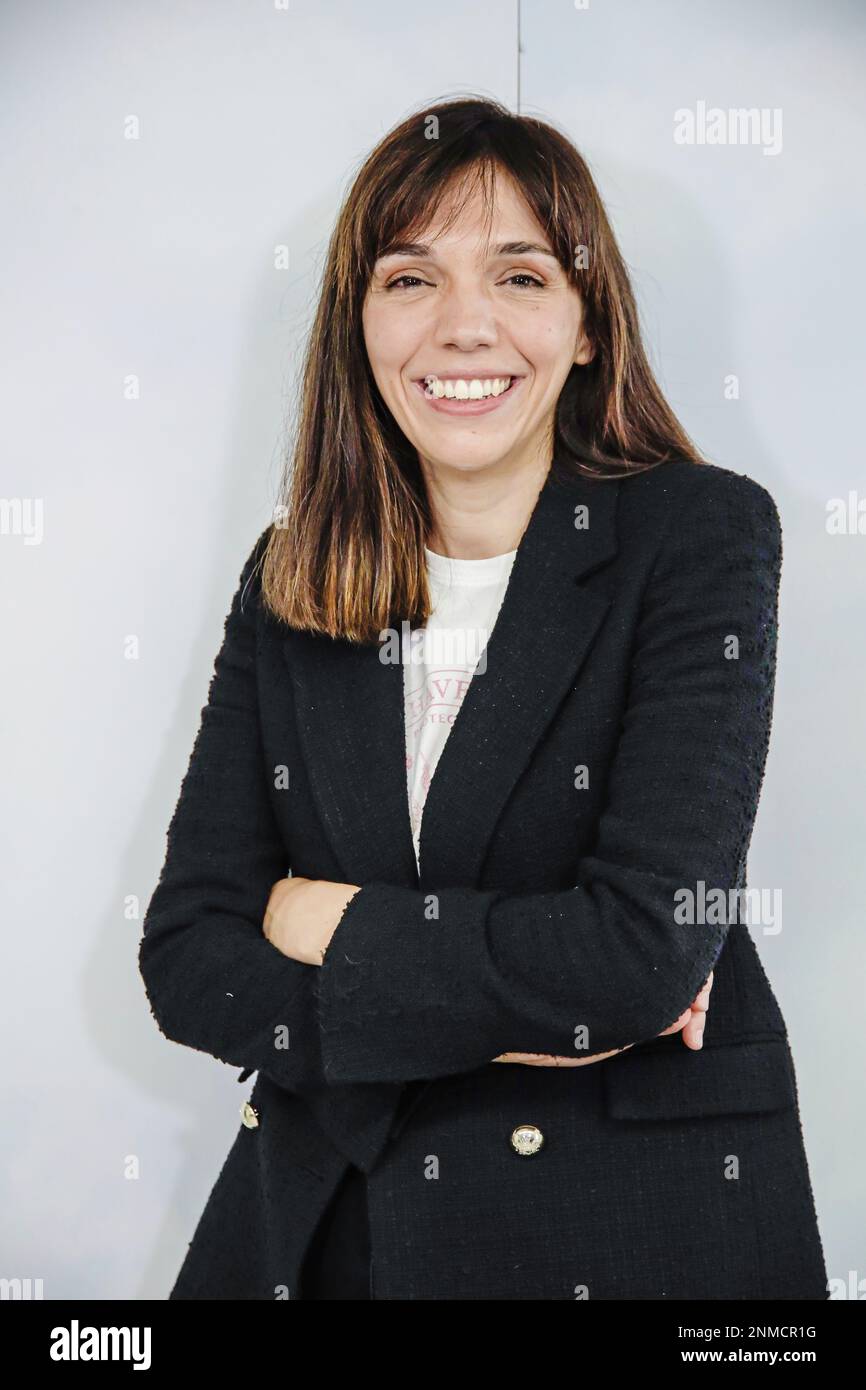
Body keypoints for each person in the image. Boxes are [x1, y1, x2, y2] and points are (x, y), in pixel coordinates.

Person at [139, 95, 827, 1300]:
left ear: (586, 327)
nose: (463, 328)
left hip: (628, 1230)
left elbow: (641, 951)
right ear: (357, 325)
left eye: (517, 276)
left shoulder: (700, 536)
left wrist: (322, 921)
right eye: (409, 281)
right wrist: (537, 994)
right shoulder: (293, 572)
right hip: (335, 1222)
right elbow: (190, 957)